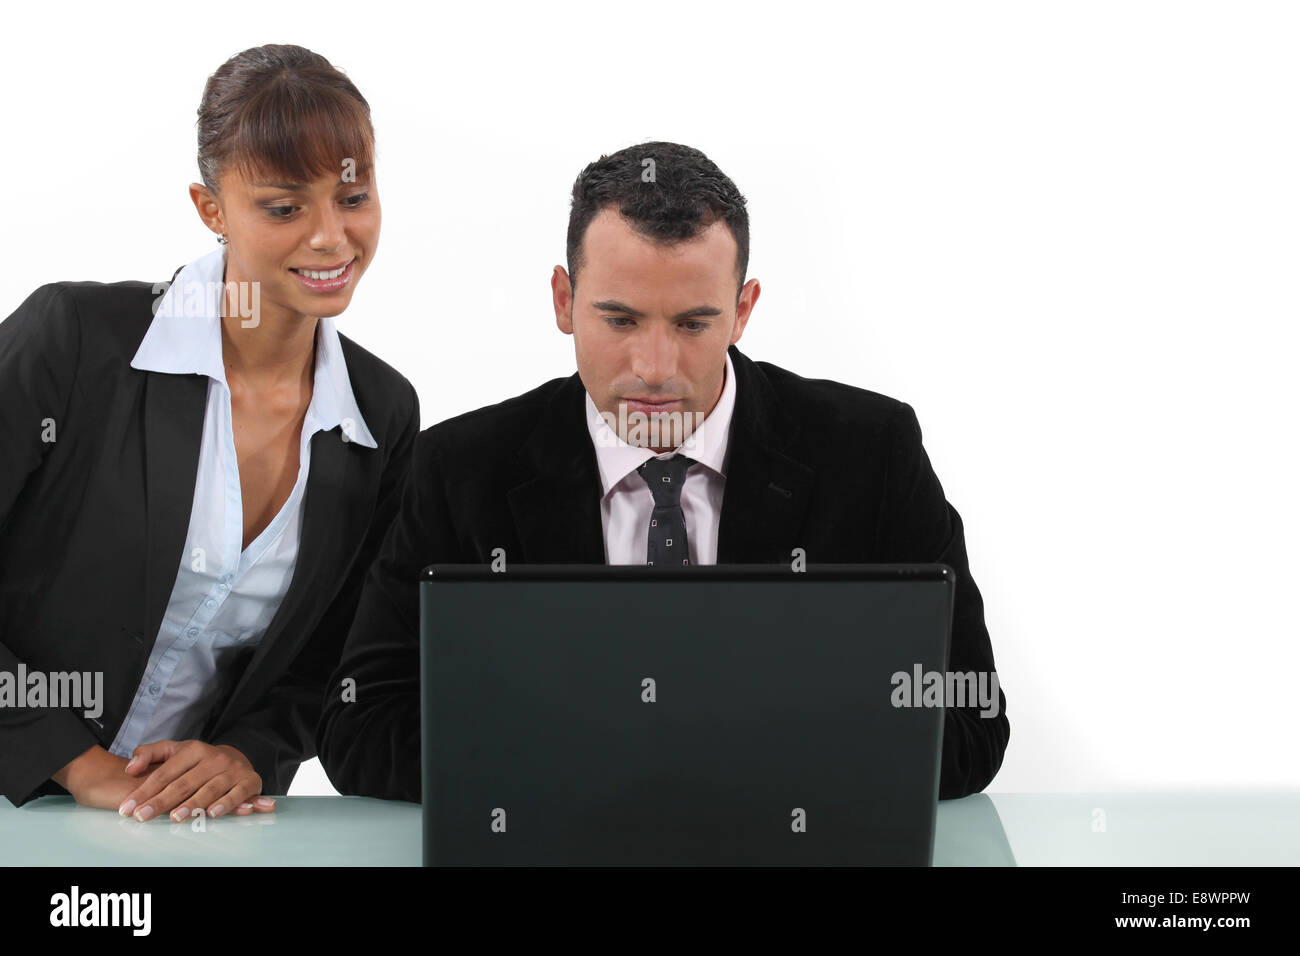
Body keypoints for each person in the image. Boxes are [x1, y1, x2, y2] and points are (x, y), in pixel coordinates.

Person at [317, 141, 1007, 801]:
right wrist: (611, 768)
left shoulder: (871, 451)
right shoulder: (460, 467)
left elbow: (969, 723)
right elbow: (359, 724)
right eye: (619, 321)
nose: (654, 368)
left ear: (742, 311)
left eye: (691, 325)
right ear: (564, 301)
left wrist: (704, 768)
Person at [0, 44, 419, 821]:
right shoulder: (73, 341)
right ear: (211, 209)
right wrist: (75, 761)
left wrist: (248, 755)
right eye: (285, 207)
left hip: (191, 833)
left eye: (352, 196)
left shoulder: (381, 413)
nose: (331, 237)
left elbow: (334, 656)